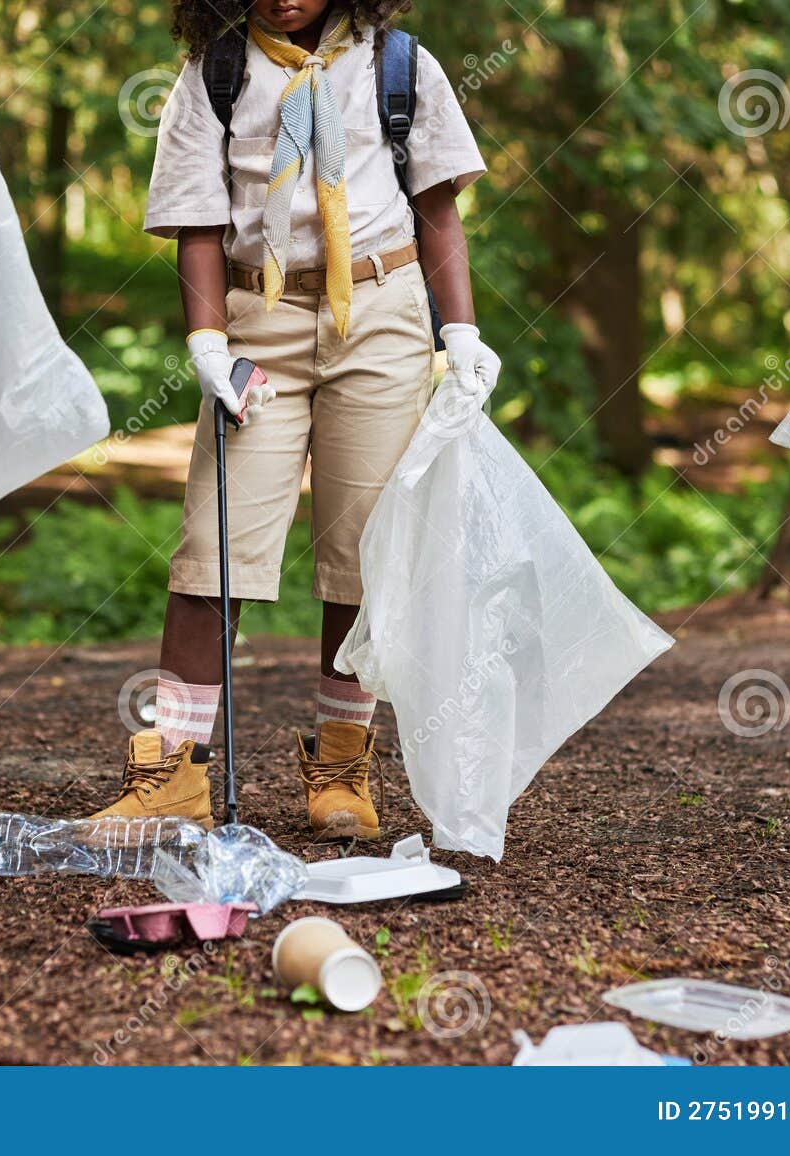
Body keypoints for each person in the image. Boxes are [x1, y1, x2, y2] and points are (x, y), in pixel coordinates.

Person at [88, 0, 495, 839]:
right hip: (259, 313)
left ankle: (343, 768)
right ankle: (173, 772)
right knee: (215, 547)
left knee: (363, 548)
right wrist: (206, 342)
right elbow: (198, 226)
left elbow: (437, 210)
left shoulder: (400, 66)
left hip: (381, 314)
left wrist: (461, 334)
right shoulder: (216, 74)